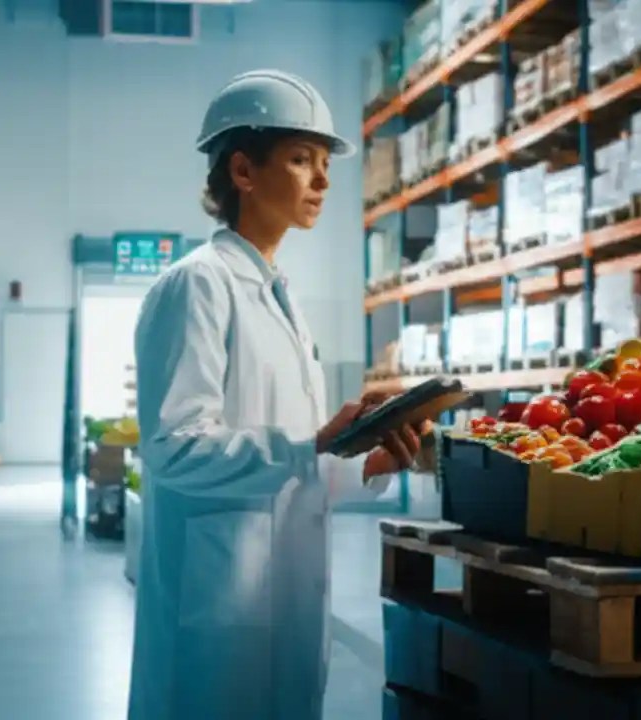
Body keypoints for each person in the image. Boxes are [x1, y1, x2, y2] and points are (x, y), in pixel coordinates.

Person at [128, 69, 424, 720]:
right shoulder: (197, 287)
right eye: (300, 160)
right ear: (242, 171)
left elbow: (294, 462)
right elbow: (174, 450)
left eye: (324, 164)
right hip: (217, 615)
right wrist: (310, 444)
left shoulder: (279, 297)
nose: (322, 180)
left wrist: (361, 457)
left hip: (282, 598)